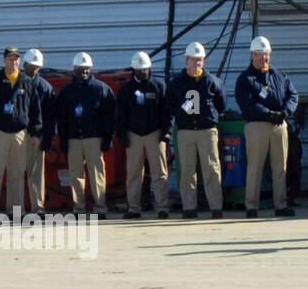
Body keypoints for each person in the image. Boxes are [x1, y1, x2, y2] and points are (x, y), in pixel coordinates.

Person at [0, 46, 42, 223]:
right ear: (4, 60)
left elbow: (35, 110)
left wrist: (35, 133)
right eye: (10, 58)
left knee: (17, 174)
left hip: (20, 134)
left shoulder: (26, 82)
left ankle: (15, 212)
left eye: (16, 58)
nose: (13, 61)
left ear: (19, 61)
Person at [234, 35, 298, 218]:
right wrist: (268, 114)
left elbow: (293, 95)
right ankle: (251, 206)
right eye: (260, 54)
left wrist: (285, 112)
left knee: (280, 167)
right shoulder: (245, 79)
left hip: (279, 125)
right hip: (257, 126)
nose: (264, 58)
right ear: (252, 55)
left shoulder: (279, 75)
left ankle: (281, 205)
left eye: (267, 54)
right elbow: (247, 103)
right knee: (255, 166)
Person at [167, 41, 227, 219]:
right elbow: (170, 105)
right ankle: (189, 207)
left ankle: (216, 207)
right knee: (187, 170)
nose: (197, 64)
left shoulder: (212, 81)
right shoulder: (177, 82)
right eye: (193, 60)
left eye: (200, 60)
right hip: (185, 131)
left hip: (207, 130)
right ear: (186, 61)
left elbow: (221, 104)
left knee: (212, 169)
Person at [57, 52, 116, 218]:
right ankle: (79, 207)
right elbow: (61, 118)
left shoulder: (101, 89)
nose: (83, 72)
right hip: (73, 138)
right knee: (76, 175)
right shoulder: (66, 92)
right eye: (80, 69)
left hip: (94, 138)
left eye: (86, 69)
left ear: (91, 69)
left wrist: (107, 138)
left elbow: (109, 117)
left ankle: (100, 207)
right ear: (74, 70)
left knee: (97, 174)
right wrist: (63, 139)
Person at [116, 51, 170, 219]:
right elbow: (120, 114)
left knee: (159, 172)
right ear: (134, 70)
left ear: (149, 69)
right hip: (133, 135)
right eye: (139, 70)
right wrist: (122, 134)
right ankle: (133, 208)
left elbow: (166, 112)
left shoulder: (159, 86)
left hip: (155, 134)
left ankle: (162, 207)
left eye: (145, 69)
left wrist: (165, 132)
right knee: (133, 173)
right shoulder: (126, 90)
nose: (143, 73)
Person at [20, 48, 53, 213]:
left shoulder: (45, 88)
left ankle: (37, 207)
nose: (33, 69)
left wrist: (46, 136)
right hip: (16, 134)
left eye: (36, 66)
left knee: (35, 173)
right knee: (16, 172)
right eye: (31, 66)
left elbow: (50, 115)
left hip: (36, 135)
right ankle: (15, 208)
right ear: (24, 64)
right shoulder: (14, 83)